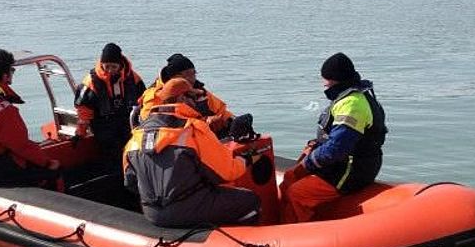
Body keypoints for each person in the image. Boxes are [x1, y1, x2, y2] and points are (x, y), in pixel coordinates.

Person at [123, 78, 260, 227]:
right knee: (251, 200)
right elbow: (227, 173)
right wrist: (247, 160)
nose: (196, 102)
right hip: (188, 209)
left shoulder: (136, 136)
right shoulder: (193, 130)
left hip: (153, 214)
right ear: (182, 98)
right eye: (193, 97)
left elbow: (130, 182)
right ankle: (228, 243)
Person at [279, 52, 387, 224]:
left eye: (327, 80)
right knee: (290, 177)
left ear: (337, 79)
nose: (324, 84)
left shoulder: (353, 104)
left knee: (298, 193)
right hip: (339, 163)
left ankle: (292, 234)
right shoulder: (347, 97)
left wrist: (308, 164)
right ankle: (280, 222)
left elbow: (337, 147)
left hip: (352, 169)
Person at [0, 49, 62, 188]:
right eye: (12, 70)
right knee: (53, 171)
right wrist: (47, 163)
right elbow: (21, 145)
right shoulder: (2, 109)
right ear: (5, 76)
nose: (12, 74)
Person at [66, 43, 146, 193]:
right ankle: (117, 187)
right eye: (106, 66)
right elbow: (84, 111)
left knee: (132, 155)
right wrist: (80, 132)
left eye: (113, 67)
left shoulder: (133, 78)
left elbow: (144, 99)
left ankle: (133, 185)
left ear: (120, 64)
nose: (109, 70)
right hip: (104, 127)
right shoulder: (90, 83)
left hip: (127, 124)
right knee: (111, 158)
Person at [136, 53, 233, 134]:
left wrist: (230, 121)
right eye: (187, 74)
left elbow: (221, 111)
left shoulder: (198, 89)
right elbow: (150, 125)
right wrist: (205, 123)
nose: (192, 78)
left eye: (194, 73)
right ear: (174, 77)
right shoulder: (154, 96)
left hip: (200, 132)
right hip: (173, 139)